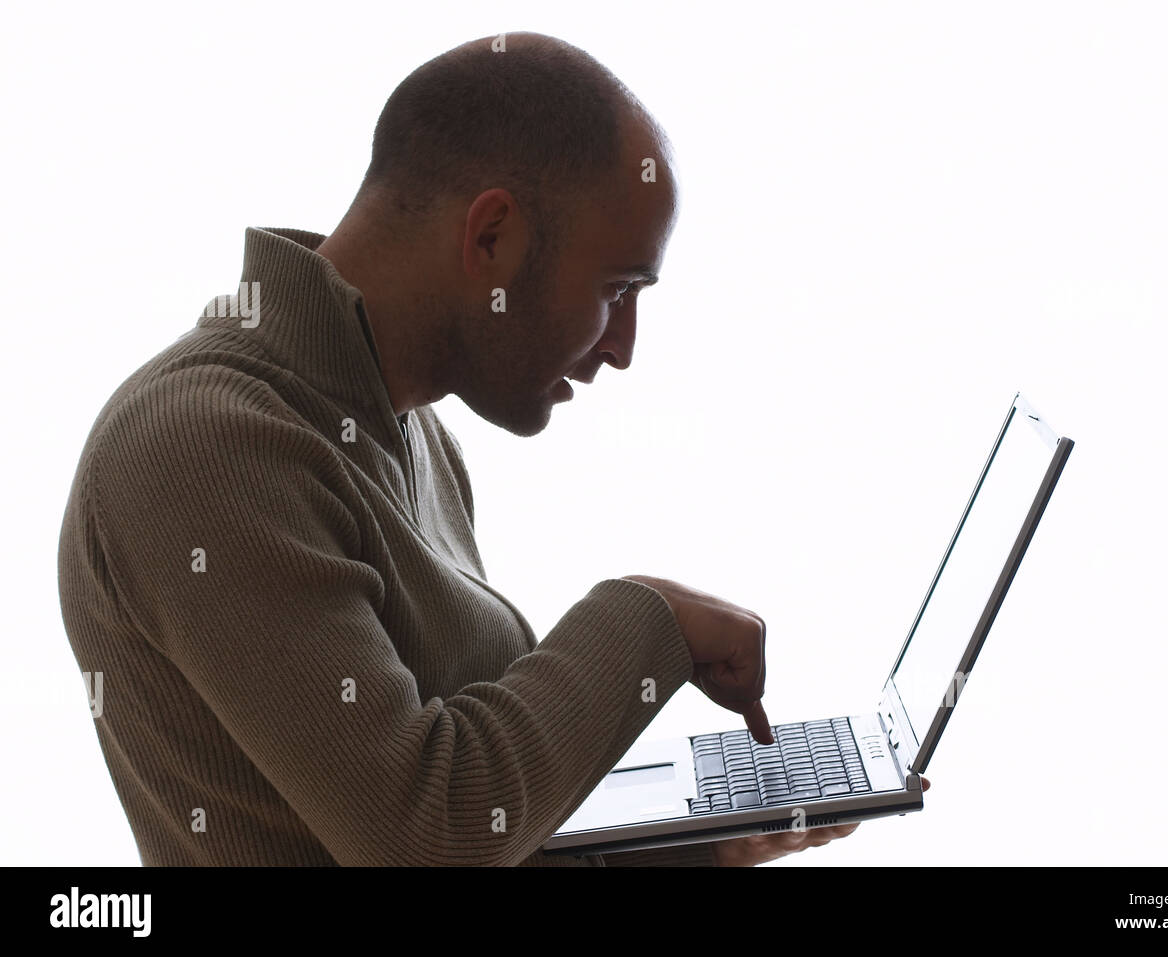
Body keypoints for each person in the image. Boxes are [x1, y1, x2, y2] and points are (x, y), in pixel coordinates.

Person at [58, 31, 922, 867]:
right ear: (491, 237)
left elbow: (490, 817)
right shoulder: (205, 446)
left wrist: (694, 846)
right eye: (617, 288)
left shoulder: (407, 429)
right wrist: (646, 615)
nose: (623, 346)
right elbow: (428, 837)